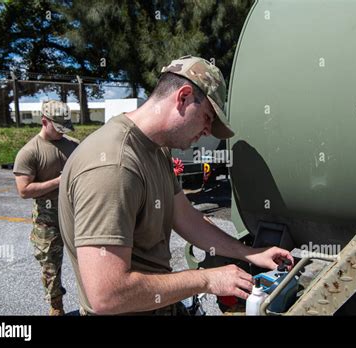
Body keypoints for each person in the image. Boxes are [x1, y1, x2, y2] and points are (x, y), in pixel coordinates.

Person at [58, 55, 293, 315]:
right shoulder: (114, 165)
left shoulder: (157, 150)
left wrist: (250, 253)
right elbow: (108, 295)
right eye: (206, 117)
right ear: (183, 97)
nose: (207, 131)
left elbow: (186, 217)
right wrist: (206, 280)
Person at [13, 100, 79, 315]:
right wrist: (58, 182)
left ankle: (92, 303)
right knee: (50, 267)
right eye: (58, 128)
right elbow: (24, 190)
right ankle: (56, 307)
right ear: (44, 121)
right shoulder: (30, 152)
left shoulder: (74, 145)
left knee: (88, 260)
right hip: (47, 219)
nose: (62, 133)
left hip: (76, 213)